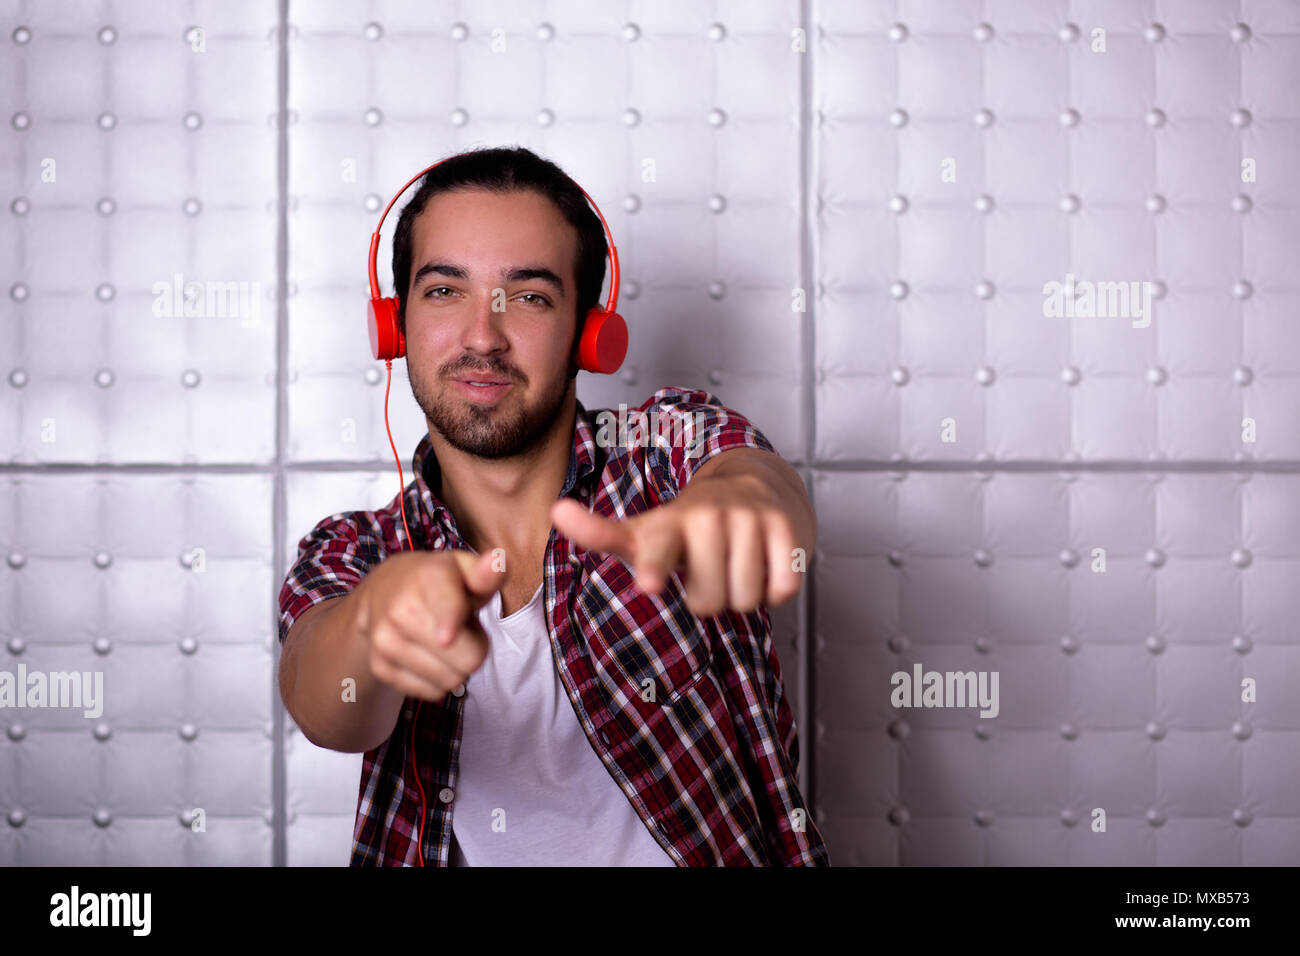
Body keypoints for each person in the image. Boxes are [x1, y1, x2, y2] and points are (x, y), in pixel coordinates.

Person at [276, 146, 830, 866]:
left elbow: (756, 486)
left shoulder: (664, 451)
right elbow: (326, 703)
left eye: (529, 297)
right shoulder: (355, 550)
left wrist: (741, 506)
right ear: (395, 324)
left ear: (589, 336)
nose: (483, 336)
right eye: (445, 291)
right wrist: (371, 627)